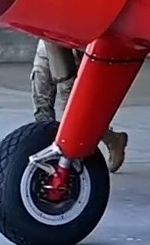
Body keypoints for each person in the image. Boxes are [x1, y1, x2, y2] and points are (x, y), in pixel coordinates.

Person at [31, 40, 128, 172]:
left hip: (74, 42)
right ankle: (49, 152)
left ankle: (110, 138)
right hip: (50, 39)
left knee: (72, 110)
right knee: (40, 96)